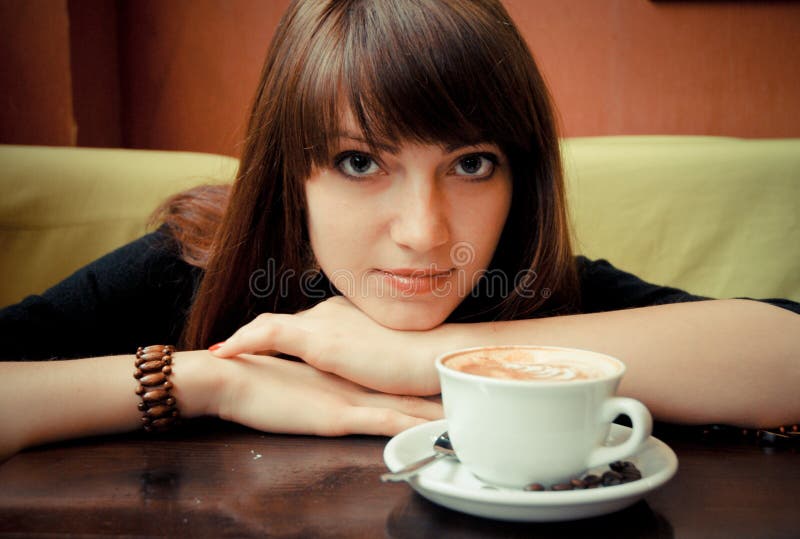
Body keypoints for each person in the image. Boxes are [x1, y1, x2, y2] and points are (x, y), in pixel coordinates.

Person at [0, 0, 797, 461]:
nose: (424, 232)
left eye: (473, 164)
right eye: (358, 162)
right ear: (292, 172)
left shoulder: (524, 290)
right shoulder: (198, 268)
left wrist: (427, 358)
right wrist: (213, 380)